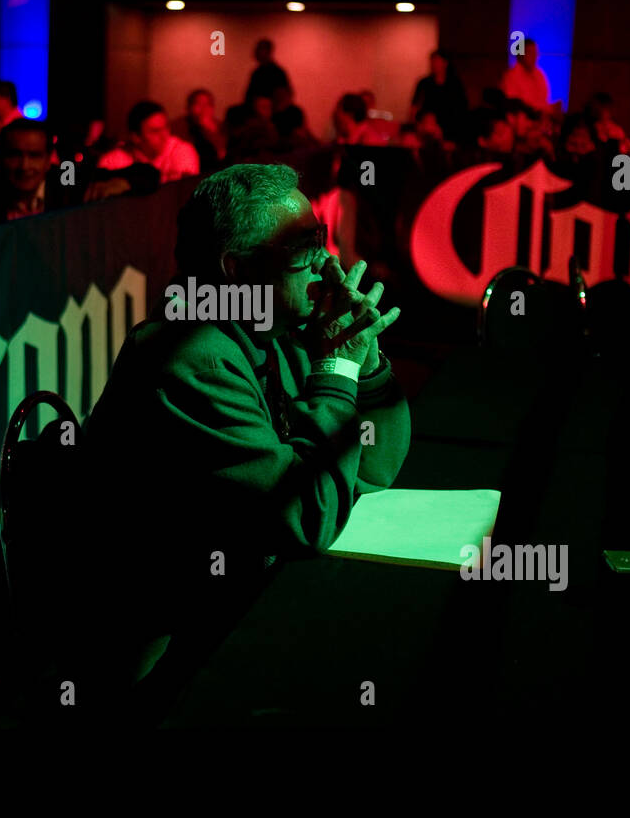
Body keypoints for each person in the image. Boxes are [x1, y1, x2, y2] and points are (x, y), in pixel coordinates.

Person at [71, 162, 411, 722]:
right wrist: (335, 369)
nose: (327, 266)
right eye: (303, 251)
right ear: (236, 270)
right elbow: (305, 516)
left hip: (234, 604)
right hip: (160, 666)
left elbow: (374, 469)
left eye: (322, 241)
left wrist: (364, 361)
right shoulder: (189, 357)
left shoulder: (269, 329)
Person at [0, 118, 161, 225]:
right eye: (15, 155)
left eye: (35, 155)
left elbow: (149, 174)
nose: (24, 166)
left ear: (49, 160)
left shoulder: (66, 179)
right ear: (1, 157)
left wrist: (124, 182)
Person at [99, 101, 200, 183]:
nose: (164, 135)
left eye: (166, 127)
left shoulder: (182, 151)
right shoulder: (114, 160)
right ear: (136, 137)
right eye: (155, 131)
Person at [410, 49, 469, 142]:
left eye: (437, 61)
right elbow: (415, 106)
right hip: (427, 126)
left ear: (445, 63)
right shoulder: (424, 83)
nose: (434, 64)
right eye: (433, 61)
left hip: (449, 128)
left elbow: (461, 108)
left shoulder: (455, 84)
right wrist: (417, 124)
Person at [170, 89, 227, 173]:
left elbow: (222, 155)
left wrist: (211, 132)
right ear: (189, 107)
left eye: (208, 104)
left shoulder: (220, 126)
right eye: (198, 104)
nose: (204, 109)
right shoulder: (179, 126)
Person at [500, 38, 550, 113]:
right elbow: (514, 105)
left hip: (540, 117)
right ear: (520, 55)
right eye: (530, 53)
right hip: (520, 120)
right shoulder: (511, 77)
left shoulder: (540, 75)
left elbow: (544, 99)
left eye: (535, 53)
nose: (534, 57)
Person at [245, 38, 292, 106]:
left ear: (268, 51)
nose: (255, 52)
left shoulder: (277, 73)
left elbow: (284, 97)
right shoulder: (257, 73)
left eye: (259, 49)